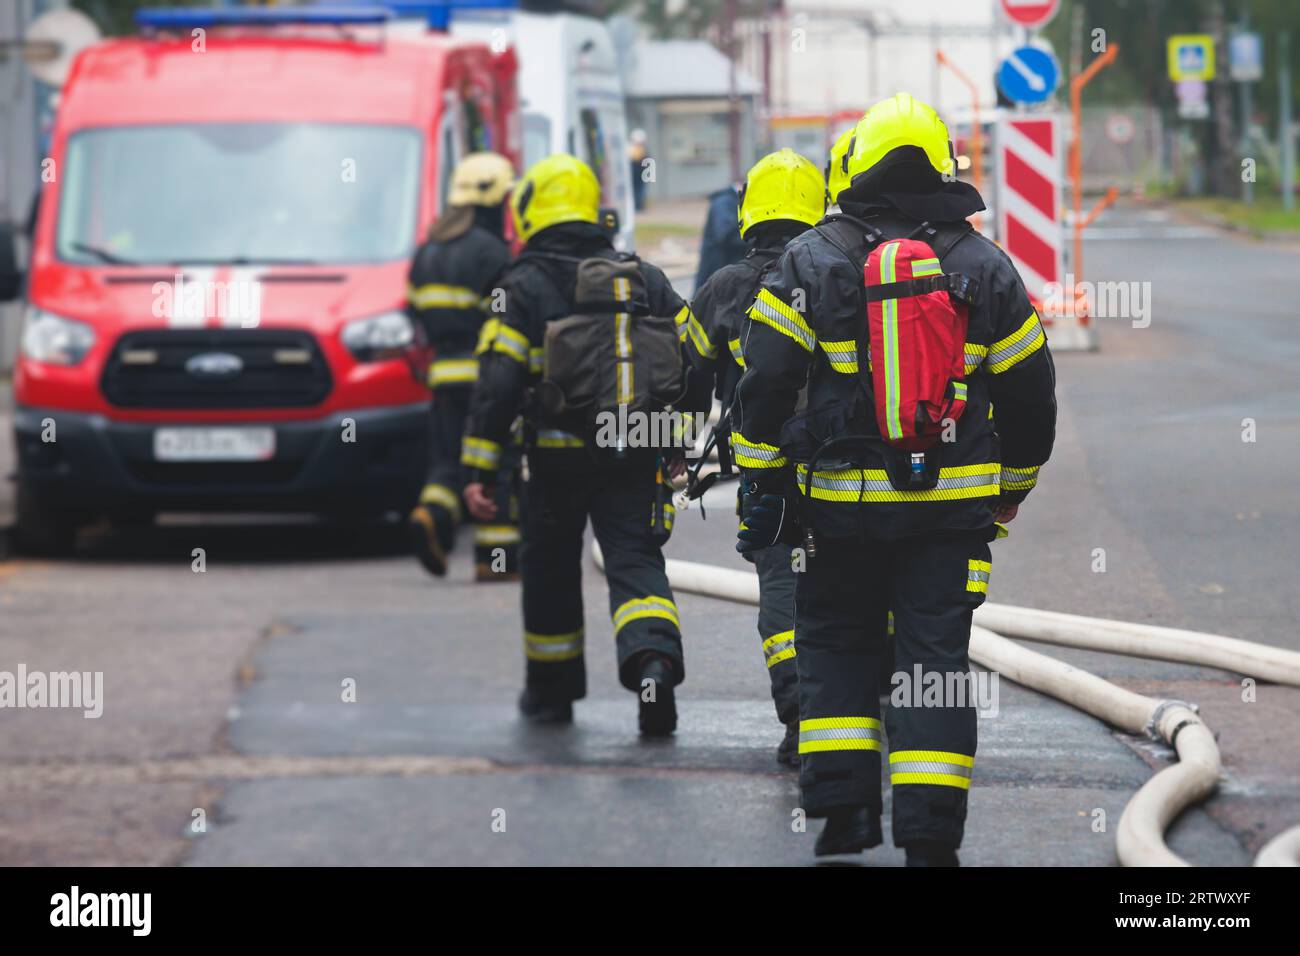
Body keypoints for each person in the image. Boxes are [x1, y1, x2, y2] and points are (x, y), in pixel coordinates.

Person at [733, 93, 1057, 864]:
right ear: (942, 167)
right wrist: (1011, 485)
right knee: (934, 667)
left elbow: (765, 385)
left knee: (837, 648)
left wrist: (767, 482)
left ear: (860, 165)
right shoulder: (983, 265)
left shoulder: (809, 259)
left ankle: (844, 814)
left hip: (836, 517)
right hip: (948, 524)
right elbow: (1030, 392)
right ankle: (930, 838)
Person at [461, 154, 693, 736]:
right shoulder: (646, 279)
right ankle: (653, 666)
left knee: (551, 569)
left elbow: (498, 382)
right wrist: (673, 439)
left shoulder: (520, 286)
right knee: (637, 563)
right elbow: (695, 359)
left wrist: (478, 469)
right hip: (636, 452)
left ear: (531, 208)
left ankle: (550, 695)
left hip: (554, 460)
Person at [679, 149, 825, 767]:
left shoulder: (723, 290)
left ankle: (800, 723)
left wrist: (670, 454)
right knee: (859, 584)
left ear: (749, 214)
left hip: (767, 478)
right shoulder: (841, 273)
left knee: (782, 593)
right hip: (846, 468)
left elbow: (686, 381)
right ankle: (866, 707)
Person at [406, 152, 518, 581]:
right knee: (494, 461)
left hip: (442, 374)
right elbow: (505, 314)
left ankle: (432, 514)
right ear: (492, 201)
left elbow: (415, 314)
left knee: (447, 461)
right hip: (485, 374)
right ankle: (496, 560)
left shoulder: (427, 251)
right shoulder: (492, 252)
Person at [694, 184, 747, 290]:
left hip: (721, 273)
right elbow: (725, 235)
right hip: (717, 270)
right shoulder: (724, 202)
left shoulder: (731, 201)